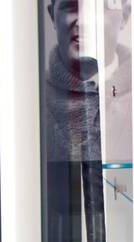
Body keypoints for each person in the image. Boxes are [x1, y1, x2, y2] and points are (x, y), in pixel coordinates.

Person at [44, 0, 102, 161]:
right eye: (70, 7)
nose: (83, 22)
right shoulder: (30, 98)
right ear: (52, 16)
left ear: (123, 16)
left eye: (95, 7)